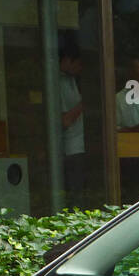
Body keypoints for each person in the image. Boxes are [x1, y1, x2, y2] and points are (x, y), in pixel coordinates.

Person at [59, 46, 86, 201]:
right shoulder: (58, 83)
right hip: (70, 148)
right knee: (74, 193)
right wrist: (83, 105)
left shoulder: (71, 80)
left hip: (79, 145)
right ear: (68, 61)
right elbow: (65, 121)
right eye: (78, 64)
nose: (80, 69)